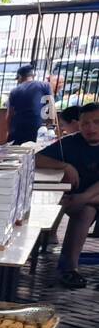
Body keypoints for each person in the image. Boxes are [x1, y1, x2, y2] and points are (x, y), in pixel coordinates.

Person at [35, 100, 99, 288]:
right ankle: (69, 268)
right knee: (86, 210)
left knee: (85, 204)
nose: (91, 128)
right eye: (85, 123)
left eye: (96, 122)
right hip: (82, 201)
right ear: (79, 124)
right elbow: (36, 158)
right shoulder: (71, 142)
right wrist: (64, 166)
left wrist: (83, 197)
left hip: (86, 196)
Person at [7, 64, 51, 144]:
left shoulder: (14, 91)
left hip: (18, 128)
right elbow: (51, 107)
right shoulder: (45, 85)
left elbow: (10, 114)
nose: (18, 81)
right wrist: (51, 125)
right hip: (37, 127)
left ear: (20, 77)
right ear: (33, 75)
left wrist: (9, 130)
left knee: (16, 149)